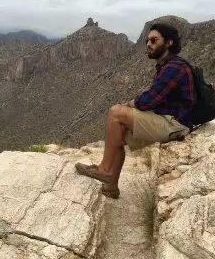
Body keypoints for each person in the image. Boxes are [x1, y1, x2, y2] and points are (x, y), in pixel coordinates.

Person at [75, 23, 196, 198]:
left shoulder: (174, 67)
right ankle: (111, 186)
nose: (148, 44)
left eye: (154, 40)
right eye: (147, 40)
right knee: (118, 132)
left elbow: (150, 100)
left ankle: (104, 170)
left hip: (176, 124)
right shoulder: (166, 65)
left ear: (169, 43)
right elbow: (158, 100)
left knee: (115, 112)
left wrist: (129, 105)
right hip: (168, 118)